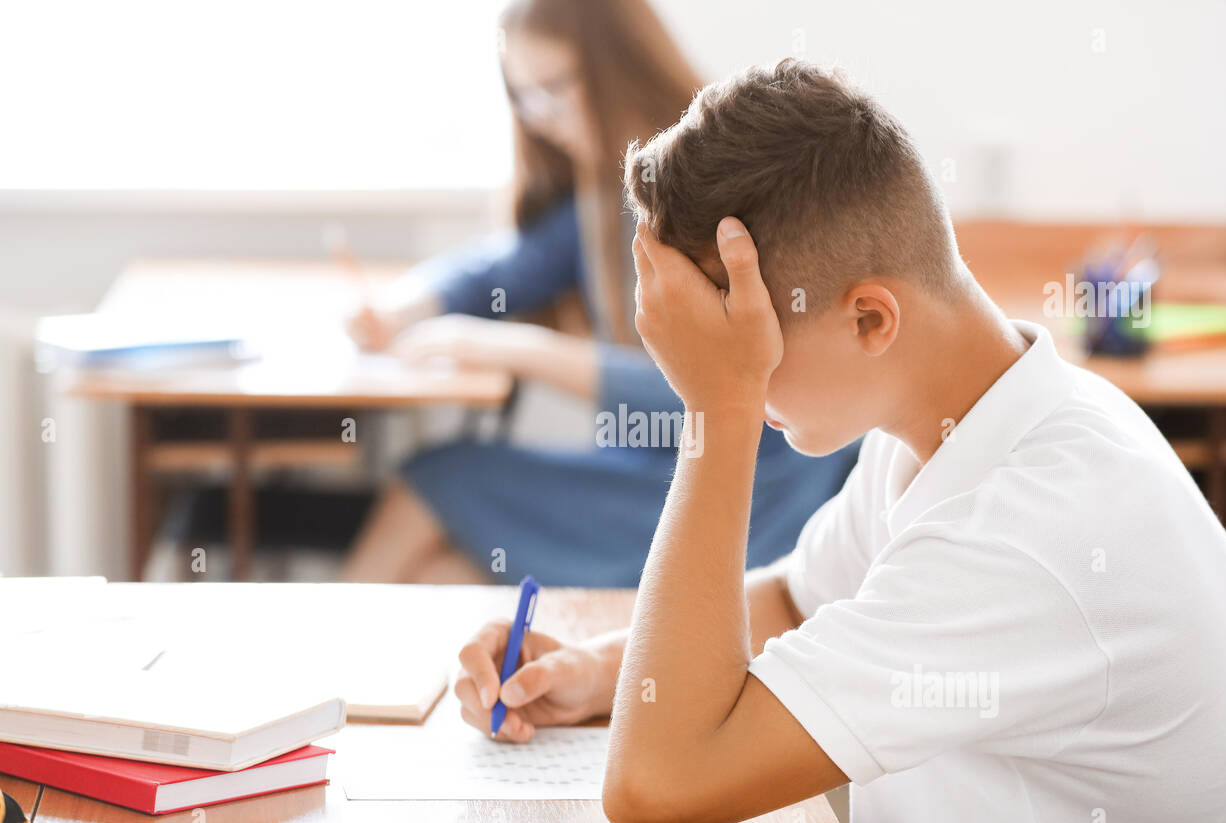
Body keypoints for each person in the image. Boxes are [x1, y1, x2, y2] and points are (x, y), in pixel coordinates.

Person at [450, 60, 1226, 823]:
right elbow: (797, 596)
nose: (721, 365)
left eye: (744, 342)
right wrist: (602, 670)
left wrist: (721, 408)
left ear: (869, 320)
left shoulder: (1030, 526)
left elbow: (658, 784)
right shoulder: (958, 421)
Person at [341, 0, 857, 586]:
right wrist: (401, 309)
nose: (539, 117)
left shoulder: (705, 192)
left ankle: (327, 667)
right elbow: (498, 274)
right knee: (443, 575)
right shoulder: (604, 188)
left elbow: (708, 387)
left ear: (617, 65)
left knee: (435, 480)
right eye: (523, 97)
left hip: (751, 486)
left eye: (553, 89)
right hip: (660, 460)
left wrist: (511, 349)